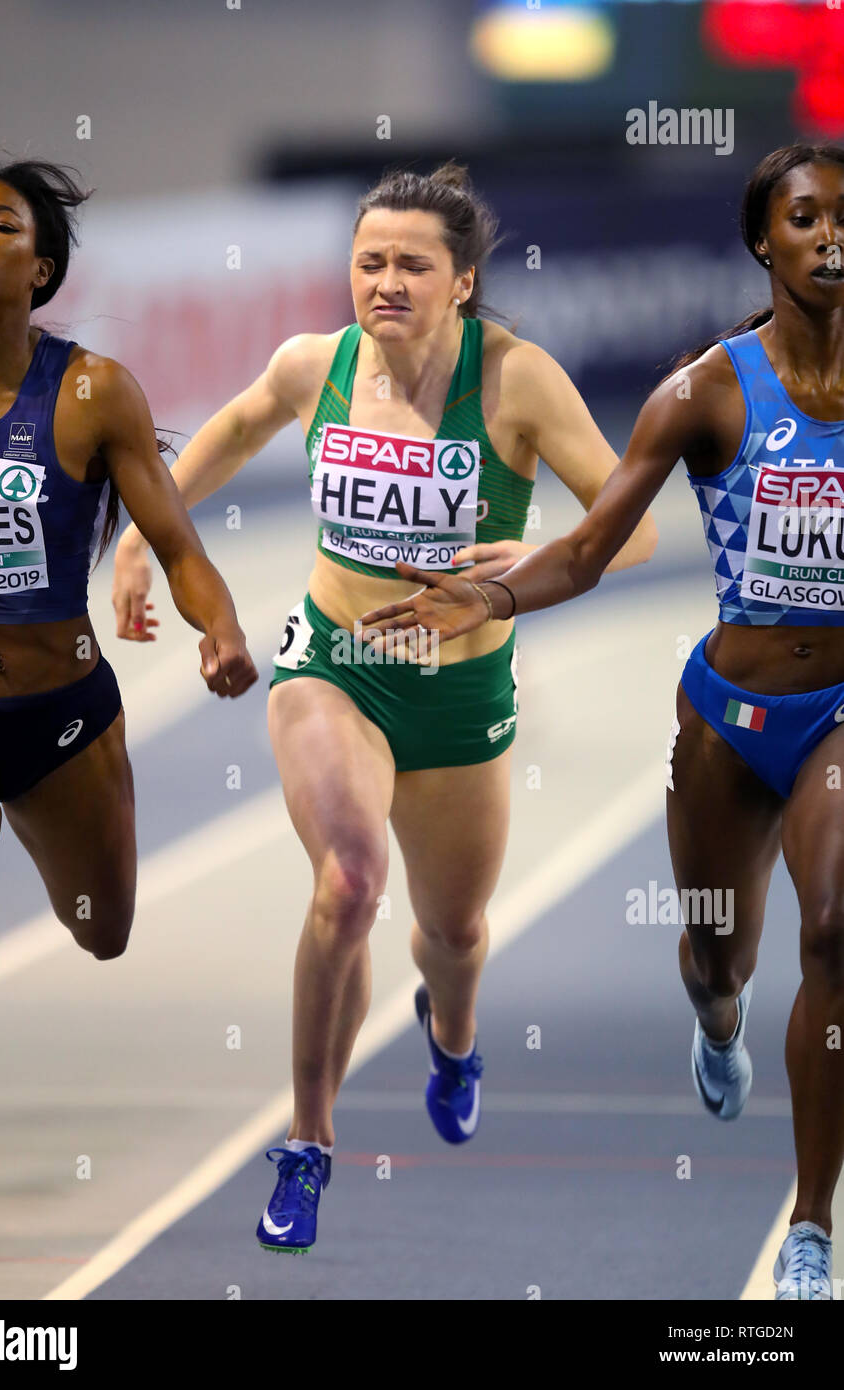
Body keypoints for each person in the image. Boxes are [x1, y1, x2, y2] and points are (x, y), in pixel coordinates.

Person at [112, 161, 656, 1253]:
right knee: (349, 883)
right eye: (370, 262)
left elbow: (631, 526)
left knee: (452, 933)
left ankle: (451, 1036)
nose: (386, 282)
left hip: (461, 693)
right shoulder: (316, 365)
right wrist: (142, 531)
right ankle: (308, 1143)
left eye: (414, 264)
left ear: (462, 282)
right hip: (334, 666)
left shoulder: (519, 383)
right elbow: (224, 430)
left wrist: (528, 561)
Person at [362, 143, 844, 1300]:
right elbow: (587, 546)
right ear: (763, 243)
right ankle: (718, 1012)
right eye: (808, 217)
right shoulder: (709, 392)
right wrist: (493, 590)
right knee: (721, 953)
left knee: (833, 934)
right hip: (731, 719)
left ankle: (813, 1227)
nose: (832, 236)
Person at [0, 158, 257, 1298]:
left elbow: (180, 549)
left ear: (43, 266)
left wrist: (216, 630)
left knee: (101, 929)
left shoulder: (91, 394)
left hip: (62, 720)